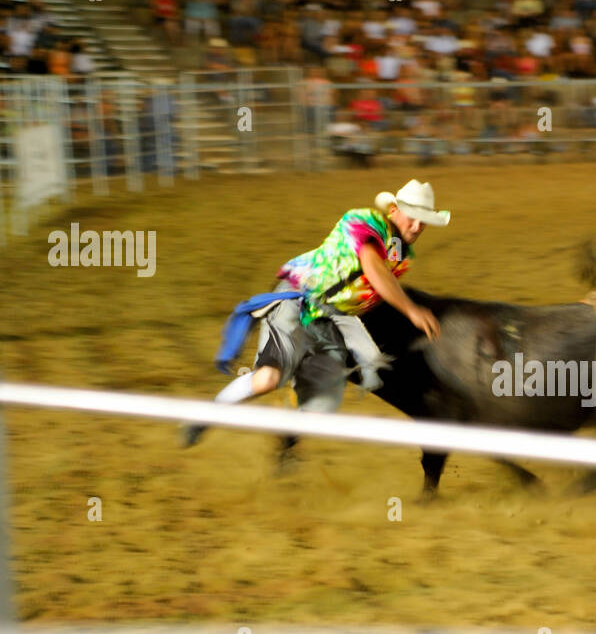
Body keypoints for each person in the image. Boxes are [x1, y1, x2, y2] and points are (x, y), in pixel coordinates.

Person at [183, 180, 448, 447]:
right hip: (299, 299)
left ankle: (286, 438)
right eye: (412, 218)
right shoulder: (363, 220)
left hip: (332, 320)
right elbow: (372, 267)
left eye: (423, 222)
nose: (417, 227)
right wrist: (411, 310)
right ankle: (206, 416)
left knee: (320, 409)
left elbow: (369, 293)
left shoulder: (403, 255)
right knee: (267, 380)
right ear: (393, 210)